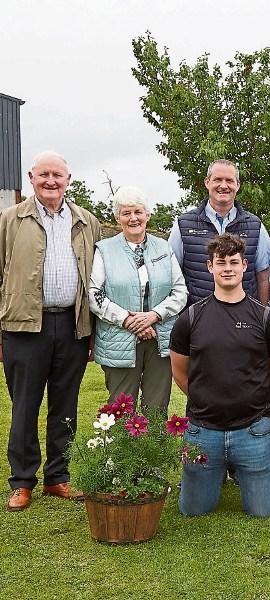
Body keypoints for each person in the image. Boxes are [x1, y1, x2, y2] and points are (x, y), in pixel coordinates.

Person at [2, 151, 101, 511]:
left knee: (66, 405)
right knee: (25, 405)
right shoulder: (11, 220)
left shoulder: (86, 221)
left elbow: (95, 276)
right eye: (43, 174)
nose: (50, 181)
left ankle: (58, 477)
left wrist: (91, 331)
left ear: (68, 180)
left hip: (72, 325)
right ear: (31, 177)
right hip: (25, 325)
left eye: (57, 175)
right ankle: (22, 481)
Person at [169, 233, 270, 517]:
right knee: (193, 511)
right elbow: (180, 371)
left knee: (263, 512)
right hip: (203, 430)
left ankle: (257, 470)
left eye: (234, 262)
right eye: (220, 262)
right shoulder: (190, 318)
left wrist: (255, 404)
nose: (227, 268)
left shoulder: (267, 319)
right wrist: (206, 399)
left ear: (245, 266)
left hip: (254, 431)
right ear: (210, 266)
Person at [89, 186, 187, 412]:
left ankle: (154, 439)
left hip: (159, 338)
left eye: (138, 212)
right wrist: (128, 320)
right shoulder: (104, 250)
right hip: (119, 340)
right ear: (118, 217)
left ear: (147, 215)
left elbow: (180, 291)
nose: (133, 218)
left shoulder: (163, 247)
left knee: (156, 409)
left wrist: (154, 316)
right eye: (126, 213)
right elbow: (94, 294)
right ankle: (120, 440)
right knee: (120, 410)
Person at [169, 159, 270, 305]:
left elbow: (264, 275)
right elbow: (171, 274)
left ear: (237, 185)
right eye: (217, 179)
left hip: (244, 314)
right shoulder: (183, 224)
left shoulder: (255, 226)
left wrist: (262, 313)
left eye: (229, 180)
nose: (223, 186)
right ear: (207, 182)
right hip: (197, 314)